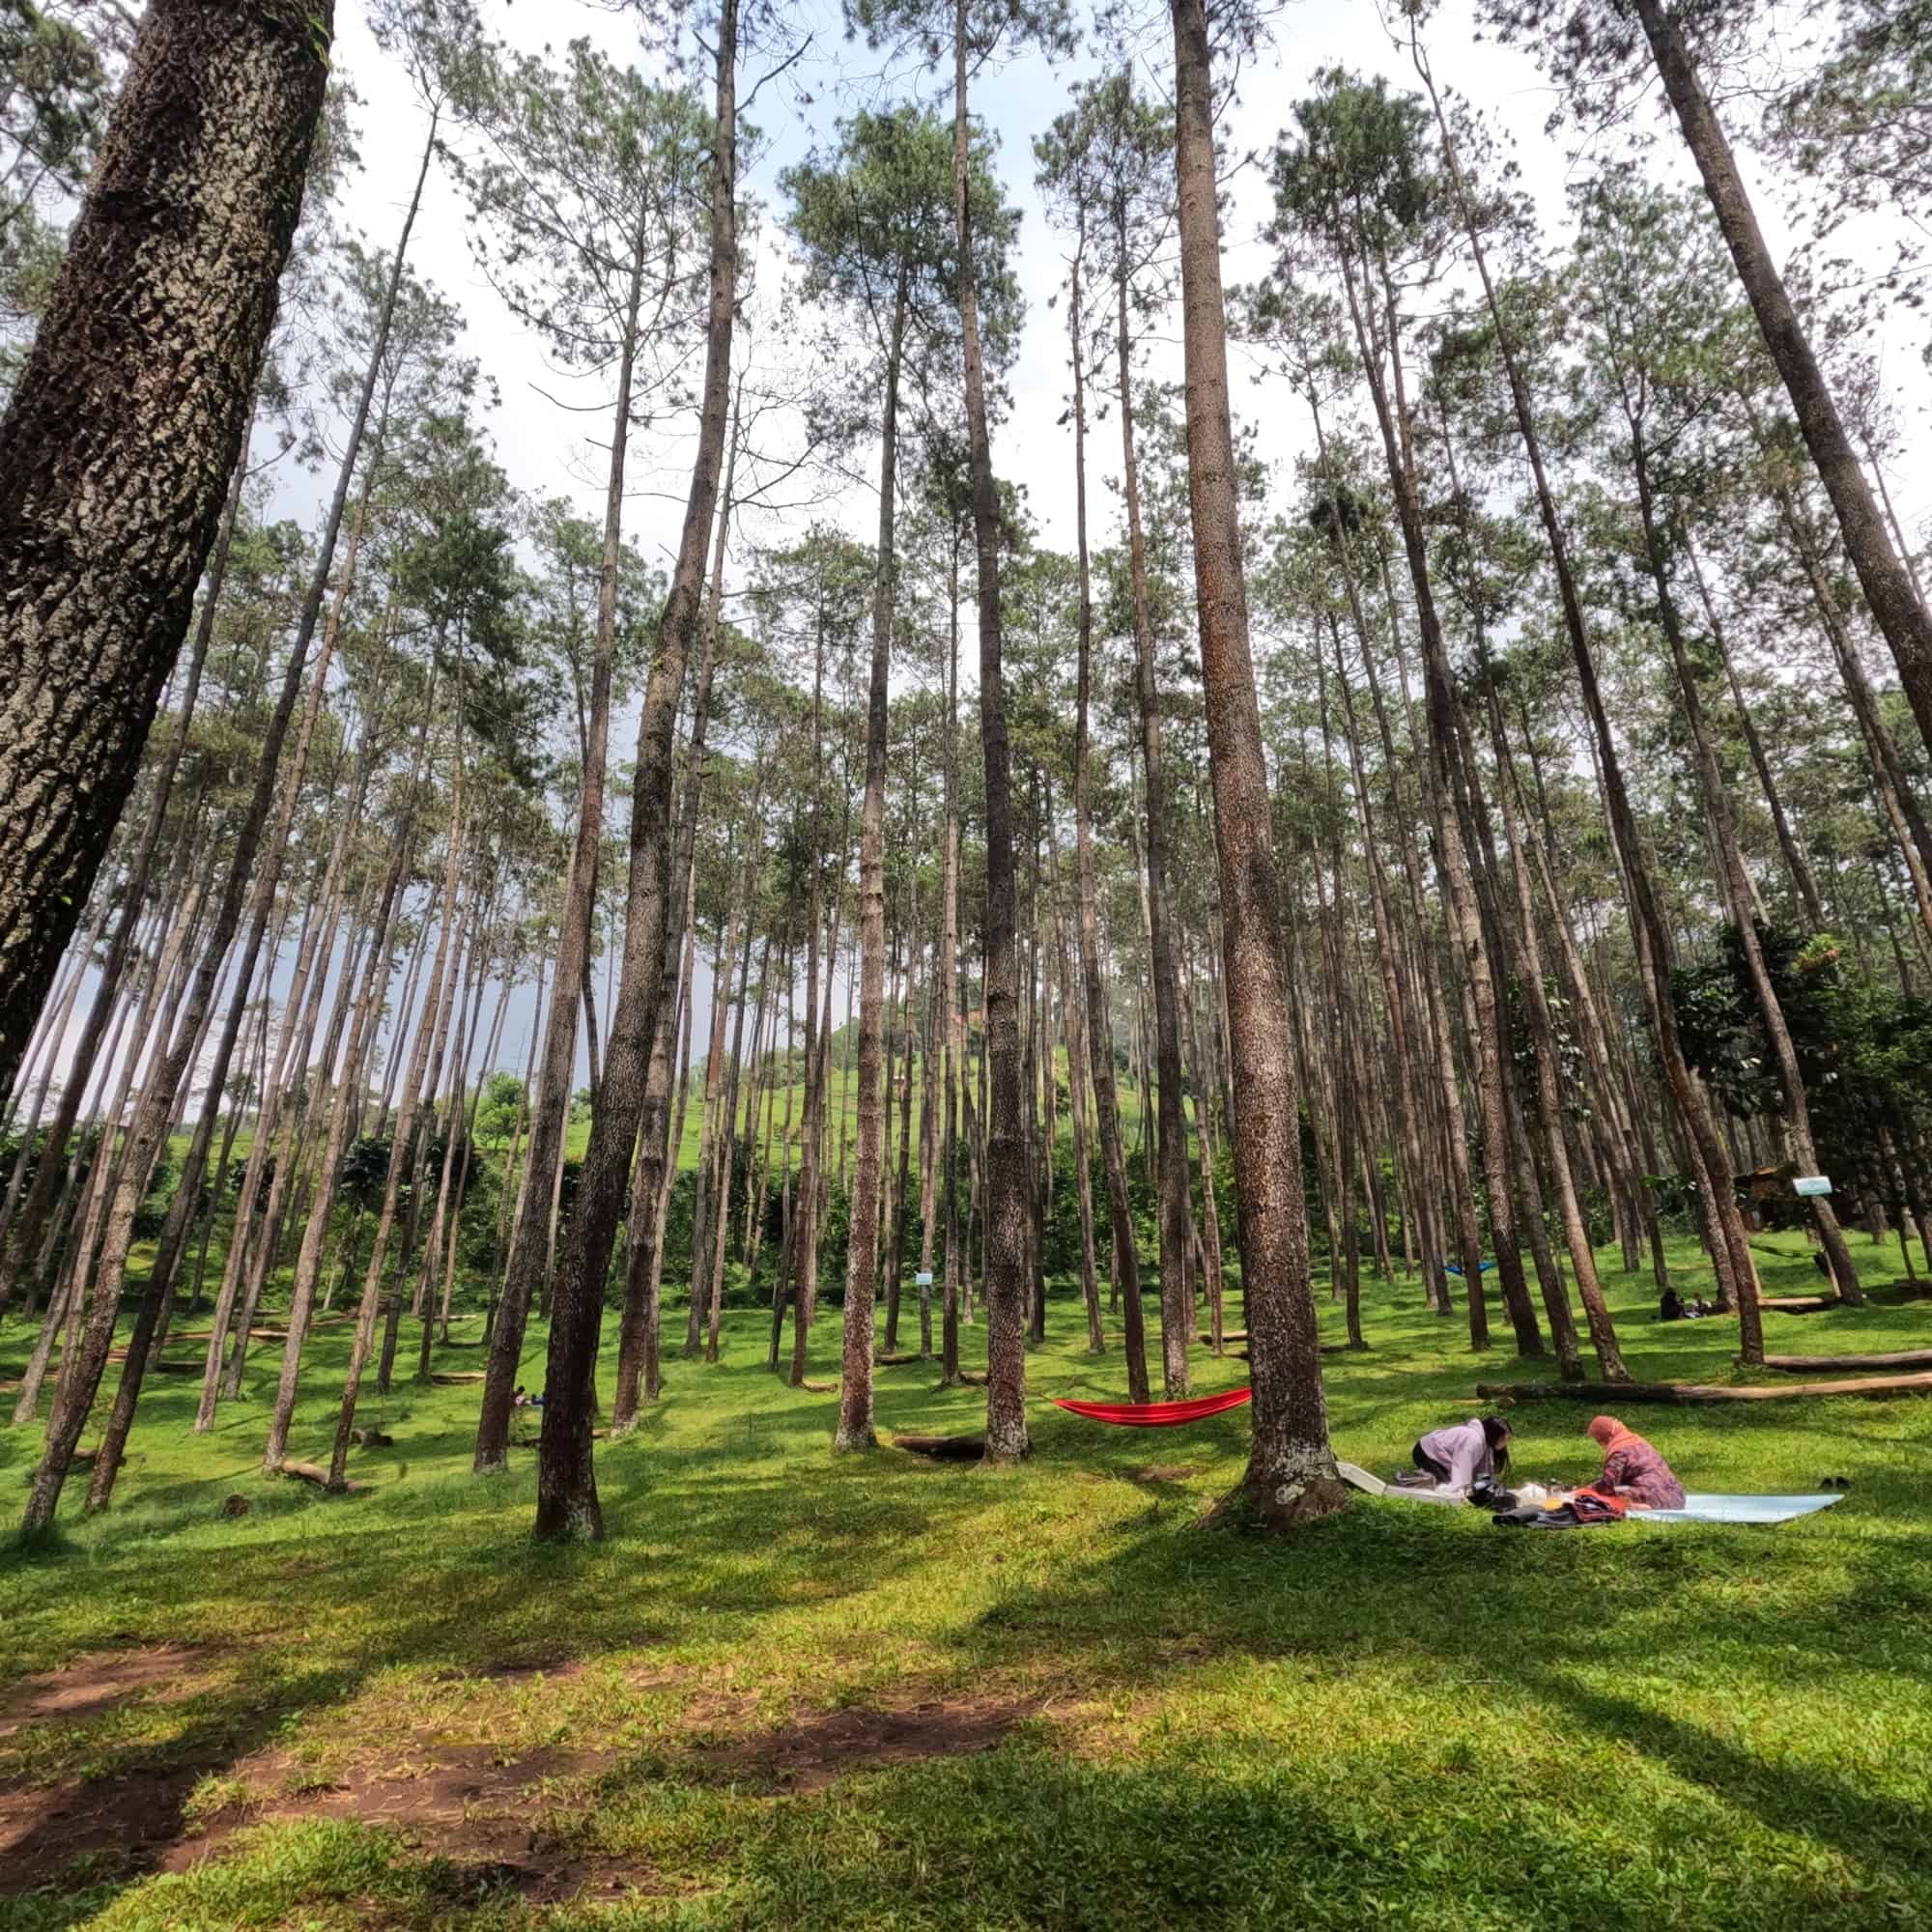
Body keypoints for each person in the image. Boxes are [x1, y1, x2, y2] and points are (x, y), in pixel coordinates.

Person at [1584, 1414, 1685, 1509]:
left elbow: (1607, 1486)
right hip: (1677, 1496)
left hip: (1654, 1496)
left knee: (1604, 1497)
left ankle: (1641, 1506)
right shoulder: (1638, 1441)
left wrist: (1585, 1490)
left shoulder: (1620, 1451)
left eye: (1598, 1441)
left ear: (1605, 1438)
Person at [1409, 1416, 1512, 1496]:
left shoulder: (1484, 1444)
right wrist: (1463, 1488)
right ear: (1493, 1435)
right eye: (1504, 1438)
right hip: (1426, 1452)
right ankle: (1410, 1479)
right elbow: (1461, 1465)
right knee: (1449, 1489)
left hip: (1440, 1457)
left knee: (1454, 1487)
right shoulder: (1472, 1439)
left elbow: (1482, 1475)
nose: (1505, 1443)